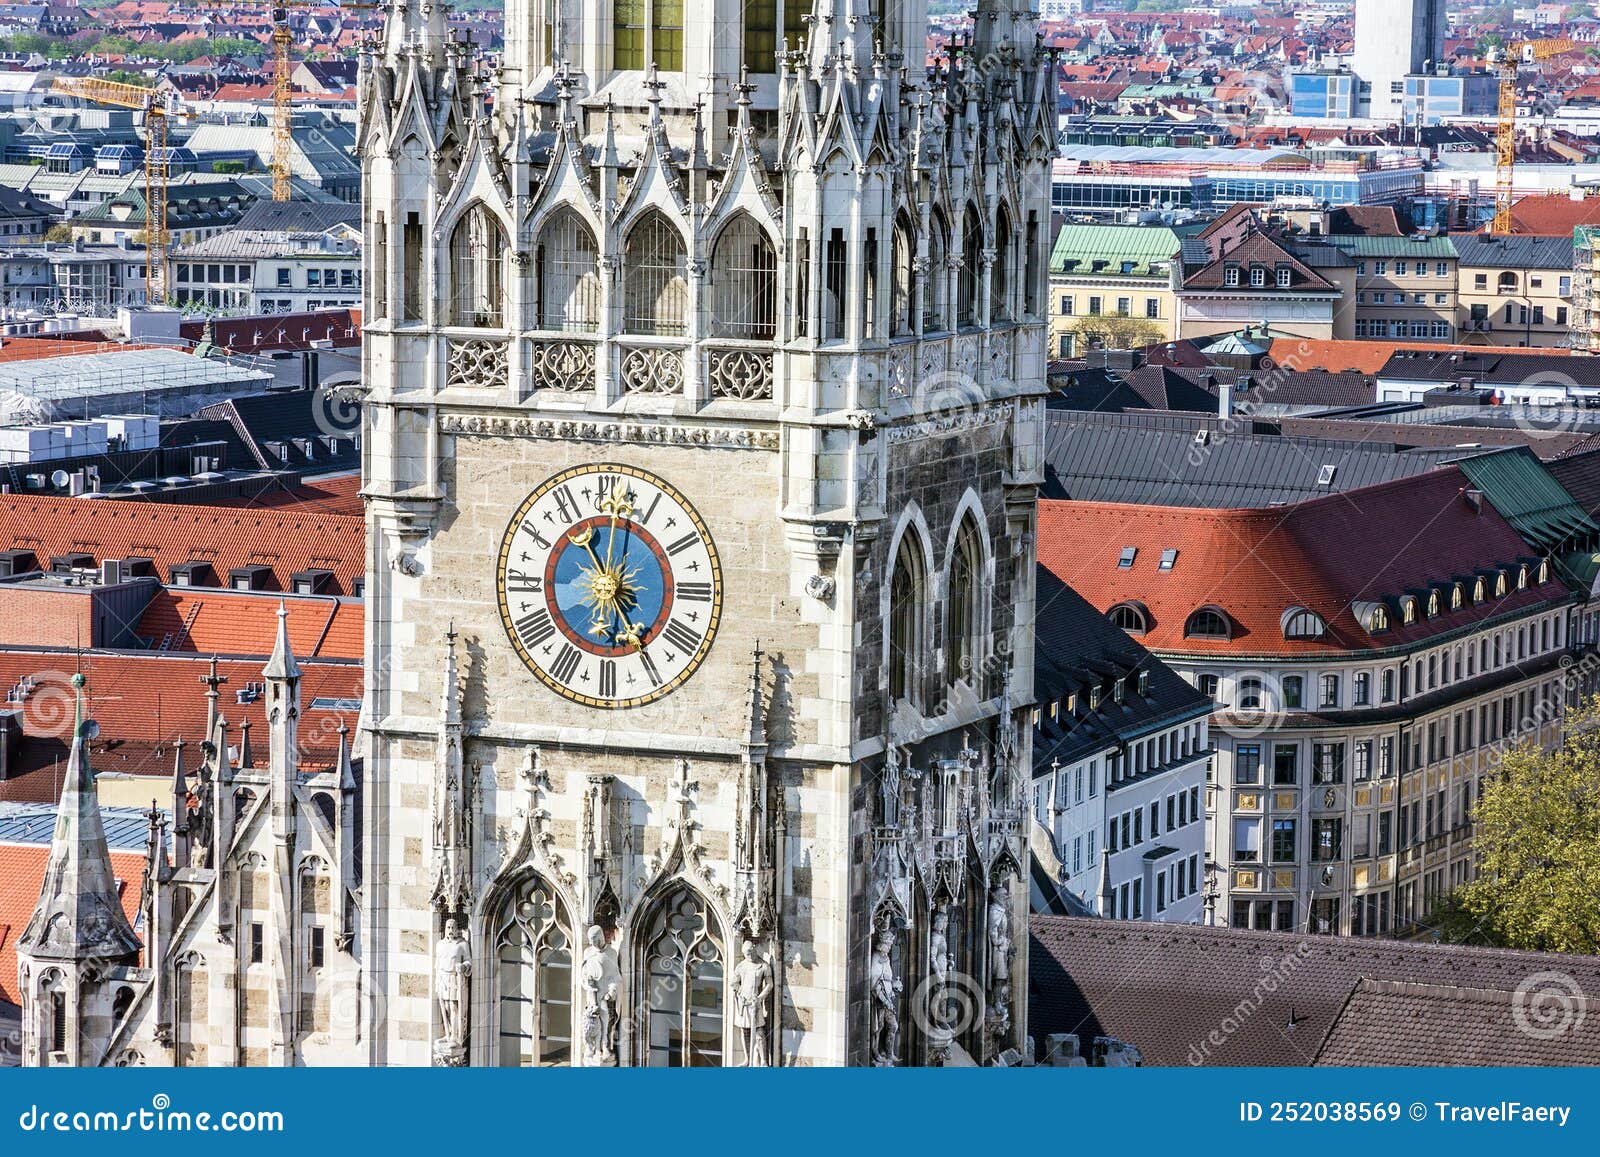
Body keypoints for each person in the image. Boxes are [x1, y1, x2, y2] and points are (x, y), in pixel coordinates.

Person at [731, 941, 774, 1066]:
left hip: (756, 1003)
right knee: (745, 1031)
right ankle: (747, 1059)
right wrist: (740, 993)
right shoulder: (741, 966)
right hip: (744, 1004)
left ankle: (764, 1061)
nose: (749, 956)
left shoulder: (764, 966)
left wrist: (760, 998)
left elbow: (769, 984)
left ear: (754, 950)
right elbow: (734, 982)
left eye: (750, 953)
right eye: (746, 954)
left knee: (760, 1032)